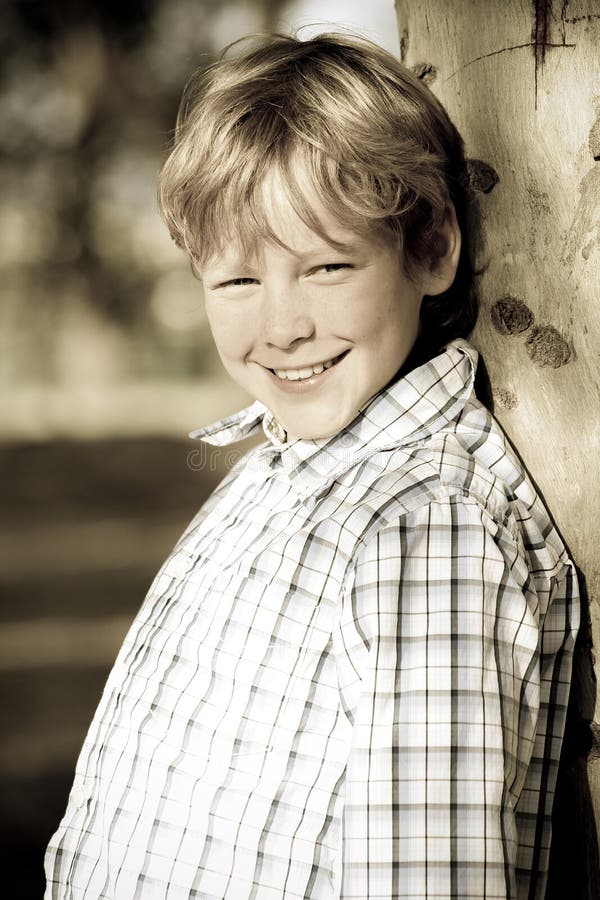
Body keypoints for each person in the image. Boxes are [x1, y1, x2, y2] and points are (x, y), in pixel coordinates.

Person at [44, 33, 579, 900]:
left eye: (327, 266)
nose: (282, 325)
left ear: (433, 248)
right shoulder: (283, 470)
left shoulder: (423, 532)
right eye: (237, 283)